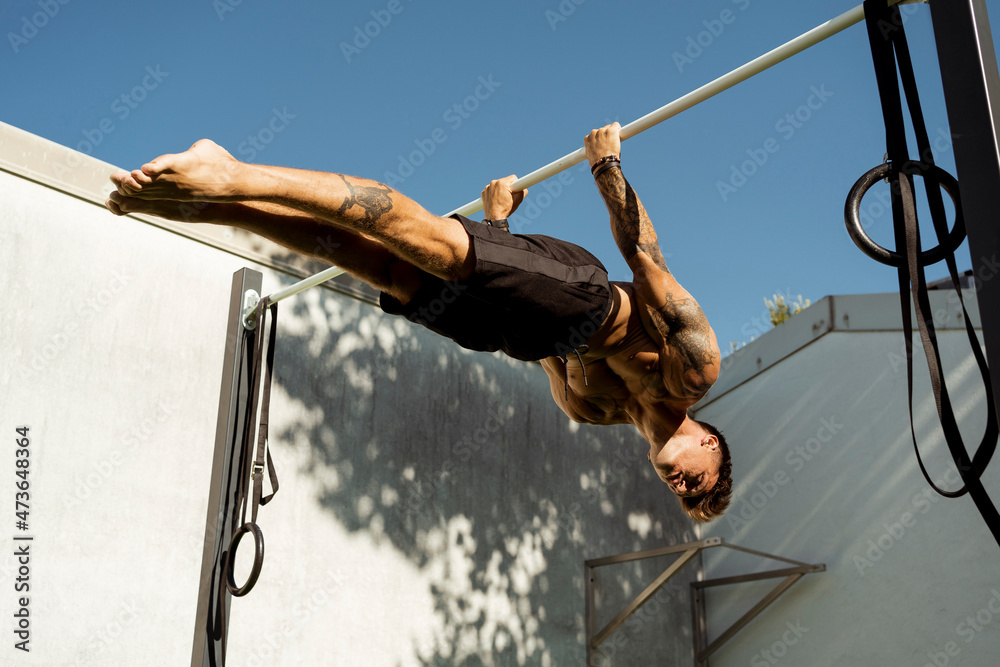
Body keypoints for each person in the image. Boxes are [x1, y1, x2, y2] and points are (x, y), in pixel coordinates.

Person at [105, 123, 732, 521]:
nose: (679, 484)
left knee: (374, 264)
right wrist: (606, 167)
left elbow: (519, 317)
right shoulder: (693, 371)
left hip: (515, 335)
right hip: (587, 303)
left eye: (681, 496)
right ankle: (229, 170)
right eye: (696, 482)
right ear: (710, 444)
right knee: (418, 237)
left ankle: (221, 206)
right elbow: (645, 259)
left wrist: (497, 230)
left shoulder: (590, 411)